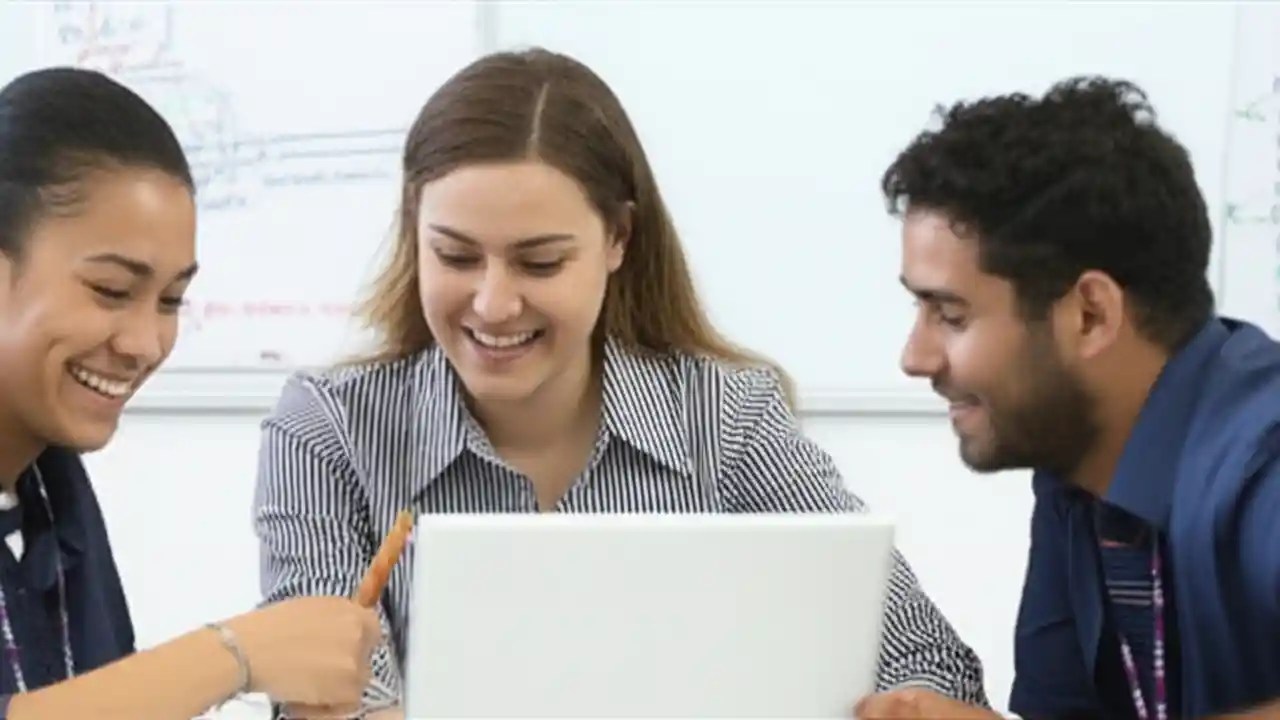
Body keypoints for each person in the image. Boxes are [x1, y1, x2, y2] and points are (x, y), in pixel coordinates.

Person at [253, 47, 989, 719]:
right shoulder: (330, 429)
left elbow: (926, 664)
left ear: (618, 240)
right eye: (455, 256)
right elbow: (330, 700)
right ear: (414, 229)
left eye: (540, 263)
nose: (494, 304)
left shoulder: (728, 418)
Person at [855, 77, 1280, 719]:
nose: (915, 358)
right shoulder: (1076, 469)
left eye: (950, 314)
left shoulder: (1264, 455)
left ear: (1089, 315)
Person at [0, 67, 384, 719]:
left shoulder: (52, 486)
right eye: (112, 291)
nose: (146, 343)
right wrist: (237, 654)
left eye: (171, 301)